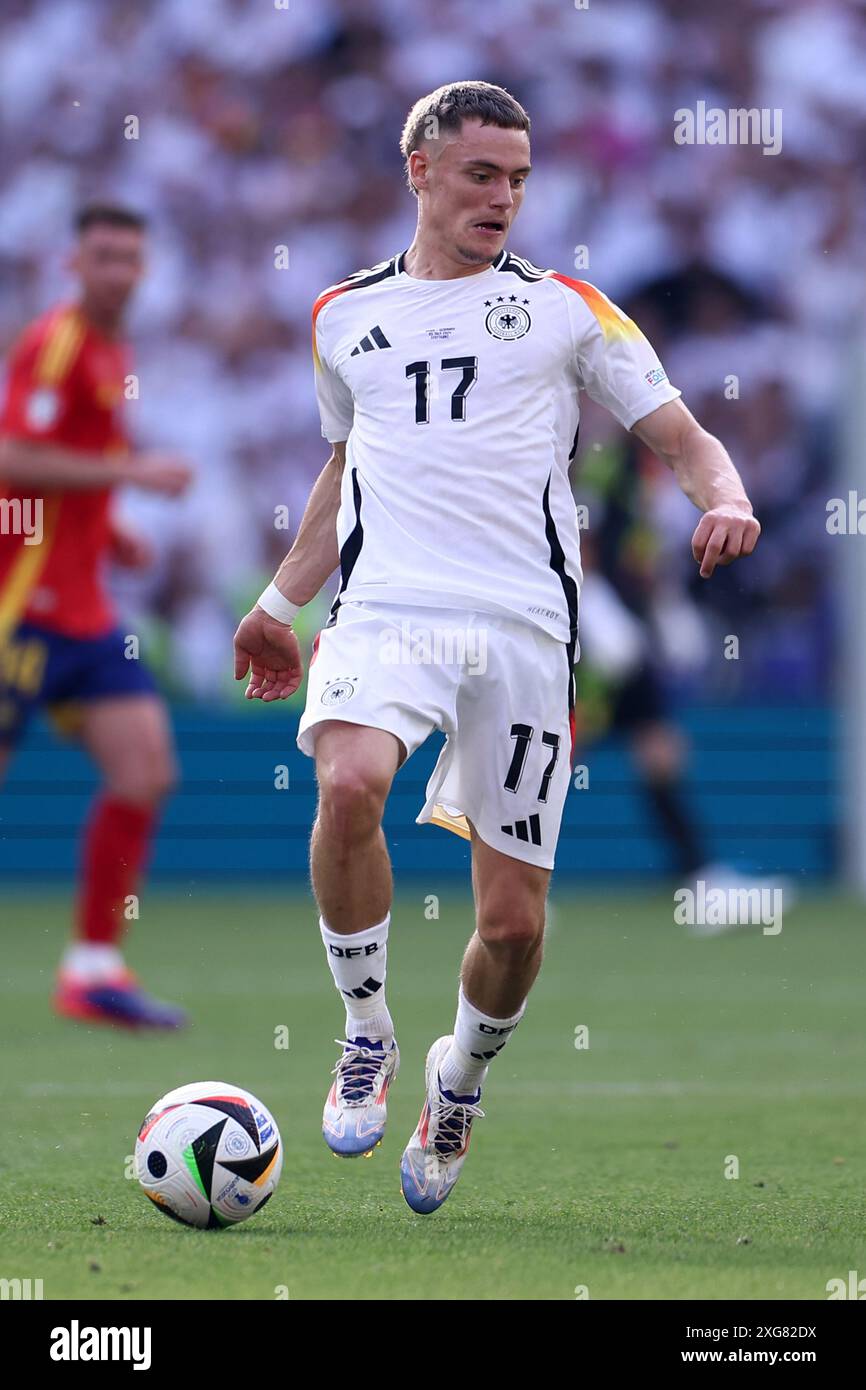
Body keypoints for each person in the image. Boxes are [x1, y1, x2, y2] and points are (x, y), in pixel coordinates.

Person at [233, 82, 761, 1213]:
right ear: (418, 168)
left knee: (512, 927)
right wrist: (279, 601)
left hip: (523, 625)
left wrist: (725, 497)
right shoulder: (340, 314)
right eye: (481, 174)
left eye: (518, 179)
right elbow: (345, 467)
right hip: (384, 610)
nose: (503, 199)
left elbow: (680, 433)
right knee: (347, 781)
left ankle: (457, 1078)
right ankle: (366, 1029)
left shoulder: (568, 308)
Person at [0, 203, 193, 1028]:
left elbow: (59, 473)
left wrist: (108, 527)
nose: (118, 270)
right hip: (19, 613)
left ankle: (91, 967)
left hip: (84, 612)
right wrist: (134, 476)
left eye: (130, 257)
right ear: (73, 263)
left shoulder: (114, 350)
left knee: (145, 769)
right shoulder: (59, 342)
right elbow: (11, 456)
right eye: (103, 255)